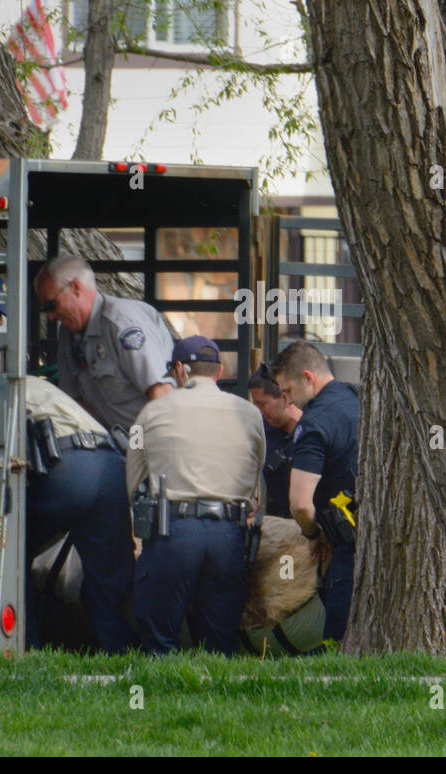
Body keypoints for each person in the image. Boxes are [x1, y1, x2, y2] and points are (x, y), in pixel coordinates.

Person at [128, 336, 265, 655]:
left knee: (159, 641)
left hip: (171, 531)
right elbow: (256, 474)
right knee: (221, 645)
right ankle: (219, 700)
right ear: (218, 373)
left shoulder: (152, 412)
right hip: (228, 536)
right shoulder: (250, 413)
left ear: (180, 370)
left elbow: (135, 481)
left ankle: (159, 699)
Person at [24, 376, 135, 653]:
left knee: (7, 556)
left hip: (65, 466)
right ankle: (120, 658)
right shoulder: (39, 386)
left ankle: (24, 652)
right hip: (111, 465)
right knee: (108, 577)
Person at [271, 340, 360, 644]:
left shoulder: (313, 424)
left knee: (337, 636)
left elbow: (299, 504)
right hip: (378, 536)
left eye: (288, 391)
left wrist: (313, 534)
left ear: (308, 378)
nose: (287, 401)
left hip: (345, 542)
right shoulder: (355, 397)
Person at [35, 256, 173, 433]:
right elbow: (74, 405)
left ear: (76, 288)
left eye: (51, 305)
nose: (51, 316)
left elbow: (163, 395)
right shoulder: (67, 335)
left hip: (148, 441)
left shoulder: (122, 323)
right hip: (110, 444)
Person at [247, 362, 302, 519]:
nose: (258, 410)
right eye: (255, 404)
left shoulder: (313, 430)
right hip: (277, 522)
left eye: (262, 404)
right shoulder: (261, 431)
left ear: (285, 398)